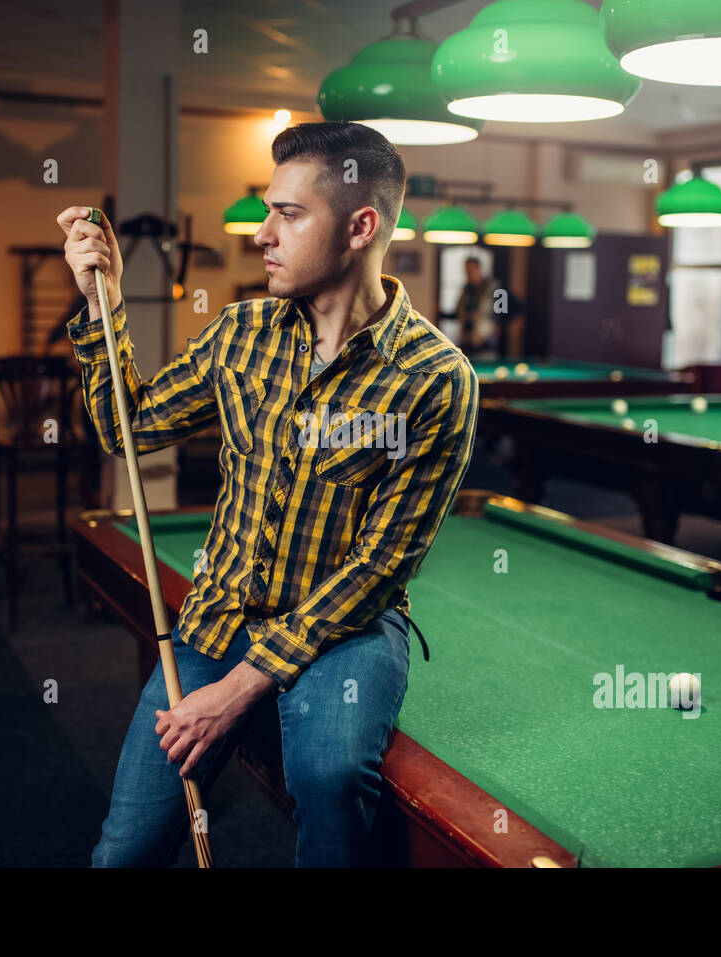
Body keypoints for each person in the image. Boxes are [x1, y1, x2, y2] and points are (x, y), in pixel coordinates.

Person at [57, 121, 479, 867]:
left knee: (329, 776)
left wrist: (242, 687)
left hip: (346, 630)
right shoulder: (240, 333)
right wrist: (104, 303)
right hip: (215, 618)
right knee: (122, 852)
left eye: (288, 214)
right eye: (266, 210)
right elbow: (131, 426)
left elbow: (383, 562)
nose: (262, 234)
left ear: (361, 226)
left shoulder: (435, 378)